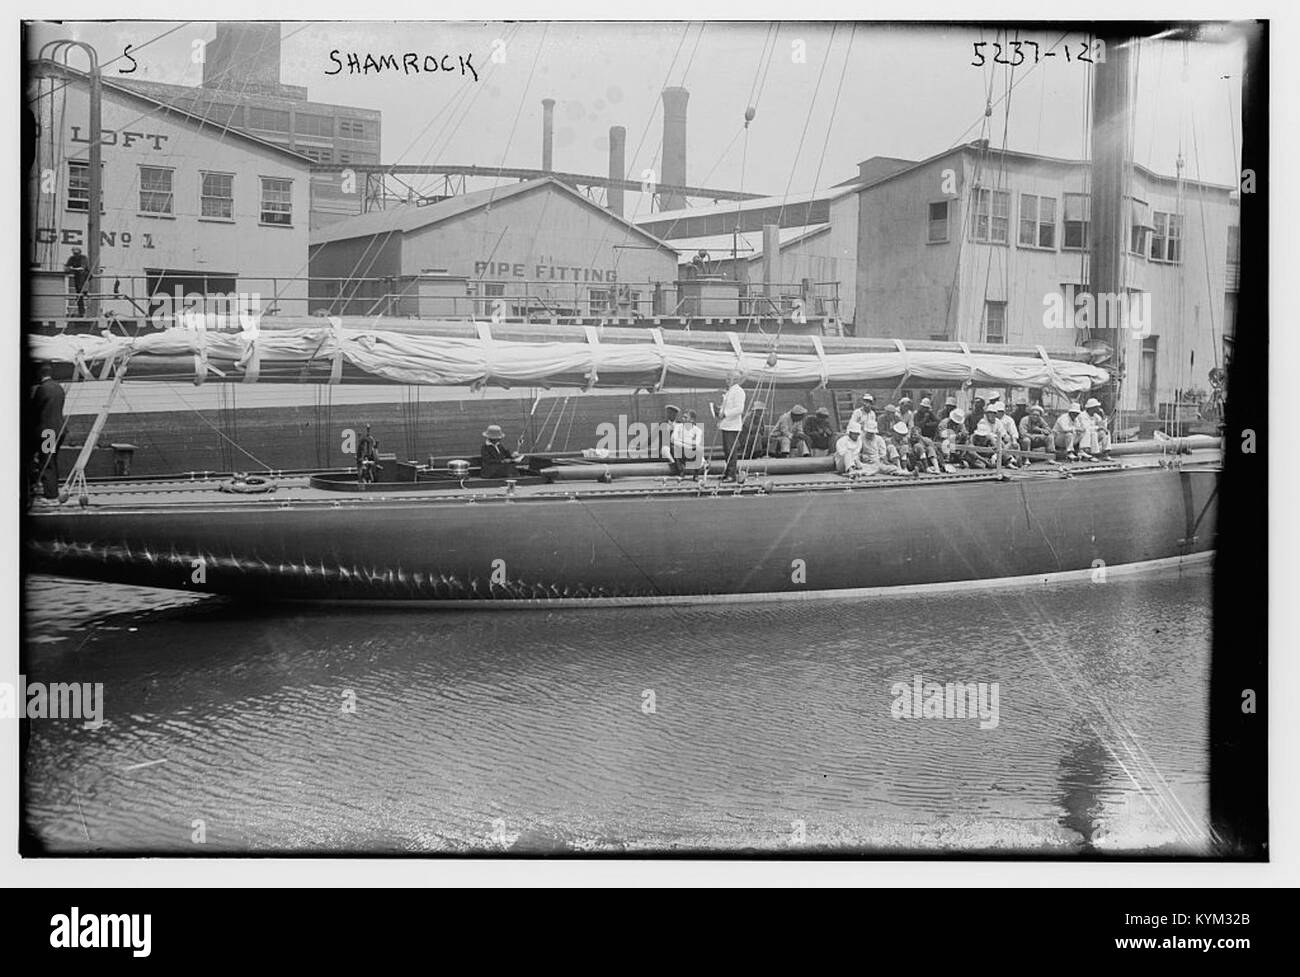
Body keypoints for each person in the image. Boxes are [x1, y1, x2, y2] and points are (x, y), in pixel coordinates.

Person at [30, 362, 66, 502]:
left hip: (47, 433)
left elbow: (35, 410)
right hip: (60, 431)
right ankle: (53, 489)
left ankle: (50, 495)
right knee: (53, 459)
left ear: (40, 374)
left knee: (47, 461)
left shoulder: (42, 389)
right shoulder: (59, 388)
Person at [714, 372, 745, 481]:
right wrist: (720, 411)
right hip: (726, 425)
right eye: (727, 377)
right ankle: (728, 472)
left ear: (735, 379)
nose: (726, 380)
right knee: (727, 451)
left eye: (729, 378)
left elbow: (739, 409)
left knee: (731, 451)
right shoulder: (730, 391)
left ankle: (732, 474)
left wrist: (725, 413)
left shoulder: (739, 391)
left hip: (733, 426)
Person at [663, 409, 705, 476]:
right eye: (683, 417)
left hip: (690, 452)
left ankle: (696, 475)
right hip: (681, 451)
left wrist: (681, 441)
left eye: (685, 417)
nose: (683, 419)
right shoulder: (678, 426)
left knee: (699, 449)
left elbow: (697, 443)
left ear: (692, 420)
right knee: (674, 447)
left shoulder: (698, 430)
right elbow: (673, 440)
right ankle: (681, 472)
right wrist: (689, 443)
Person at [64, 248, 90, 317]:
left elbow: (82, 268)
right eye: (74, 253)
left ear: (80, 253)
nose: (76, 255)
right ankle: (81, 311)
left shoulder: (83, 258)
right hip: (77, 277)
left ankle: (85, 290)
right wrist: (70, 268)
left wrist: (72, 269)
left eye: (77, 253)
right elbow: (66, 267)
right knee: (79, 294)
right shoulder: (72, 258)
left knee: (81, 291)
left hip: (85, 276)